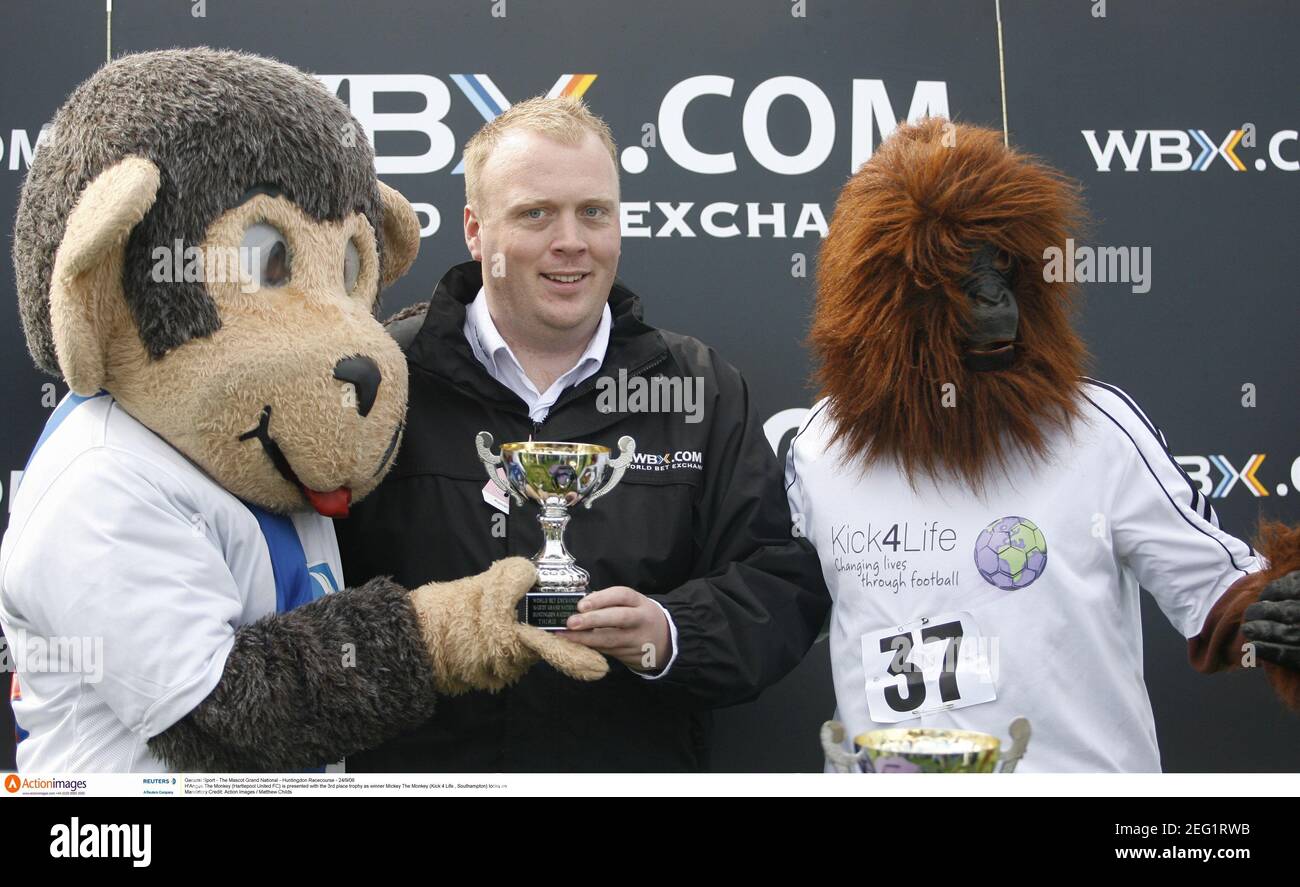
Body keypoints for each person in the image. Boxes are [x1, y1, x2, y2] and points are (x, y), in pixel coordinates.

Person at [336, 96, 830, 772]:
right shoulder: (386, 382)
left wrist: (670, 631)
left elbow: (778, 582)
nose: (571, 240)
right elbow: (309, 603)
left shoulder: (699, 387)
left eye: (593, 212)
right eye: (536, 213)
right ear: (477, 231)